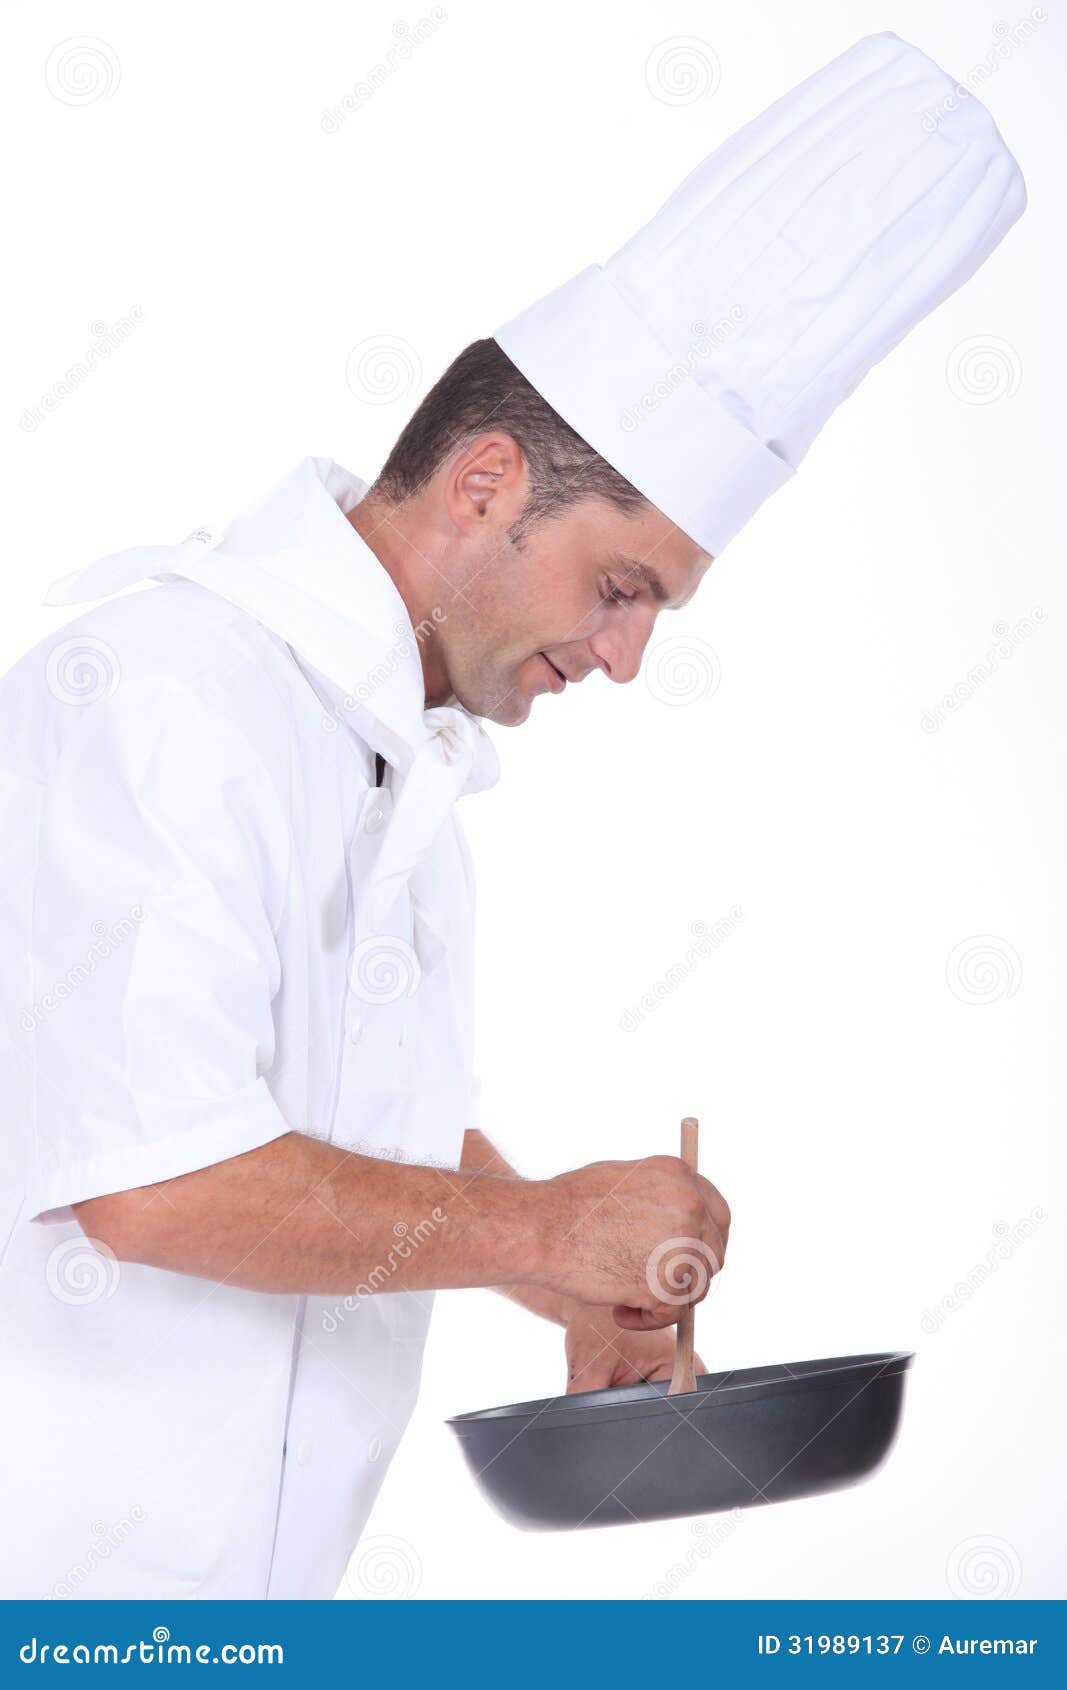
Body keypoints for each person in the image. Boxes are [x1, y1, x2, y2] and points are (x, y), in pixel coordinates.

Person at [0, 32, 1023, 1599]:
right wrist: (542, 1233)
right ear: (483, 483)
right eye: (624, 588)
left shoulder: (407, 773)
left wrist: (560, 1265)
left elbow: (328, 1118)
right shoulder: (166, 691)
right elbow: (154, 1175)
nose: (625, 656)